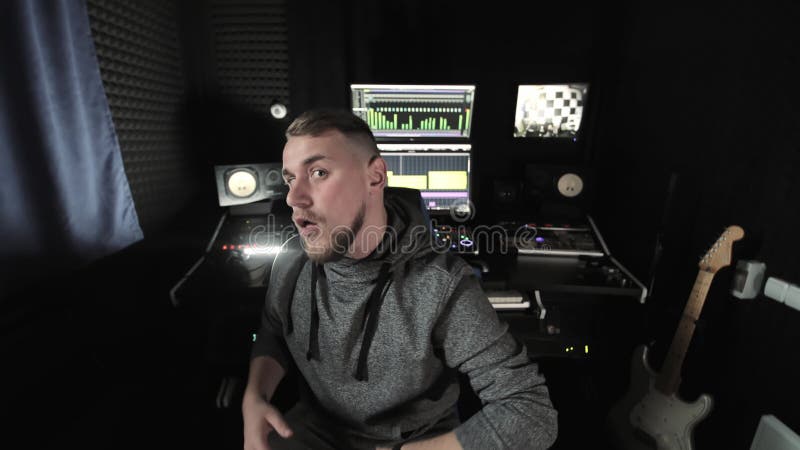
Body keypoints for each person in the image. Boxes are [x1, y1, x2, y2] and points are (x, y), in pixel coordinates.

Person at [242, 108, 558, 450]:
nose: (294, 197)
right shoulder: (291, 261)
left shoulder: (440, 284)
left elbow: (531, 414)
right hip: (318, 431)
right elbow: (274, 332)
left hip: (418, 442)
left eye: (318, 173)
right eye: (290, 179)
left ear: (375, 177)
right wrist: (255, 395)